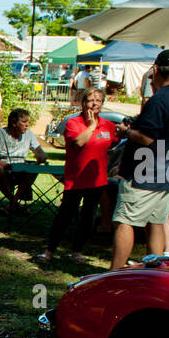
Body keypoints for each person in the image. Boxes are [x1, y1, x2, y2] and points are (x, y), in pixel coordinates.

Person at [36, 89, 117, 265]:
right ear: (83, 103)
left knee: (88, 216)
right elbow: (80, 142)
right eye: (90, 100)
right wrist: (92, 126)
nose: (94, 103)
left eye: (98, 100)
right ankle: (49, 250)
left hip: (97, 180)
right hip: (76, 179)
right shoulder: (74, 123)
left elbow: (114, 145)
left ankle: (77, 250)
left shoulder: (109, 126)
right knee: (65, 215)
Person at [110, 47, 169, 270]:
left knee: (124, 222)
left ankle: (114, 273)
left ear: (156, 70)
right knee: (156, 222)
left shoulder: (158, 101)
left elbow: (147, 138)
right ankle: (153, 272)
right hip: (168, 172)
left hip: (144, 172)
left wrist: (125, 132)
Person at [0, 106, 47, 208]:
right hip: (3, 166)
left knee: (33, 169)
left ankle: (13, 203)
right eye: (24, 122)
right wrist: (10, 166)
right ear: (14, 123)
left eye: (27, 121)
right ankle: (15, 204)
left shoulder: (29, 134)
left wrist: (42, 156)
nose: (27, 125)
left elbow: (39, 152)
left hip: (21, 169)